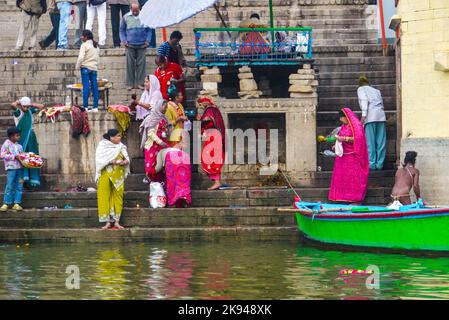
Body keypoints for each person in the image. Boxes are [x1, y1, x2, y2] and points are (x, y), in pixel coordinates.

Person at [328, 108, 369, 204]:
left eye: (341, 118)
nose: (341, 120)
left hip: (353, 157)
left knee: (353, 179)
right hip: (343, 157)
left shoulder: (357, 126)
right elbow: (340, 138)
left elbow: (359, 140)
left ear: (346, 116)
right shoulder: (343, 126)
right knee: (342, 179)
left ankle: (355, 199)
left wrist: (344, 139)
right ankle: (342, 198)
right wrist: (336, 144)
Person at [95, 129, 130, 229]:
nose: (120, 138)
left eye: (120, 136)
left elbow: (127, 158)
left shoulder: (121, 146)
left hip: (118, 175)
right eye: (118, 136)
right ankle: (107, 222)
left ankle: (117, 222)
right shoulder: (102, 146)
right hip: (105, 174)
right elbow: (99, 160)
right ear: (111, 137)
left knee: (118, 198)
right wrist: (112, 161)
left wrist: (125, 162)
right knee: (104, 197)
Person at [10, 97, 45, 188]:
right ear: (21, 106)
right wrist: (19, 102)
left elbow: (42, 107)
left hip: (31, 139)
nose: (26, 108)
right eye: (24, 107)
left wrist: (31, 105)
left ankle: (32, 182)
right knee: (23, 159)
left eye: (27, 107)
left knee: (32, 158)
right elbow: (12, 105)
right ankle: (24, 181)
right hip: (22, 139)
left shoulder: (30, 111)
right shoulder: (18, 112)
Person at [119, 3, 152, 90]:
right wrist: (124, 40)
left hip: (142, 45)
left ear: (139, 9)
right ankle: (130, 84)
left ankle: (141, 83)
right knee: (130, 65)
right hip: (129, 45)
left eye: (137, 10)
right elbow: (121, 30)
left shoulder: (145, 17)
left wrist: (148, 40)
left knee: (141, 66)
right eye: (133, 10)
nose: (135, 12)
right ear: (130, 9)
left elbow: (149, 30)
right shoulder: (126, 17)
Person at [357, 75, 387, 171]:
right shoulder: (376, 91)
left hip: (370, 117)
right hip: (381, 116)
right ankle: (380, 164)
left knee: (370, 142)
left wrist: (364, 115)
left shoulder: (361, 89)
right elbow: (381, 103)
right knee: (381, 142)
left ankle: (372, 163)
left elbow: (364, 100)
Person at [196, 97, 226, 191]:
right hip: (215, 136)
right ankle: (217, 182)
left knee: (210, 159)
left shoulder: (209, 110)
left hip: (213, 137)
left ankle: (217, 182)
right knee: (213, 158)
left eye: (200, 105)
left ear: (203, 103)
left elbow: (208, 120)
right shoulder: (214, 109)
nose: (200, 107)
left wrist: (200, 119)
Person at [139, 100, 171, 182]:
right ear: (160, 106)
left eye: (167, 107)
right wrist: (160, 142)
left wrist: (167, 132)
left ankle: (159, 186)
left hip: (162, 145)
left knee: (162, 166)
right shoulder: (152, 118)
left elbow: (167, 127)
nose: (166, 109)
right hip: (153, 146)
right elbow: (150, 133)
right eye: (165, 107)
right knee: (152, 165)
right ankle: (150, 181)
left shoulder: (164, 117)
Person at [0, 128, 24, 212]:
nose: (19, 137)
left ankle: (17, 203)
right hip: (11, 168)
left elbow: (22, 157)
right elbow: (2, 155)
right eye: (17, 135)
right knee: (9, 185)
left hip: (20, 169)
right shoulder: (6, 144)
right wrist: (14, 156)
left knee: (19, 185)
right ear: (11, 136)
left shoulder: (20, 146)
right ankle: (6, 203)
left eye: (19, 135)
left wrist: (26, 161)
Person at [76, 30, 100, 112]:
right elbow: (97, 58)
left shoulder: (84, 45)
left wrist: (77, 66)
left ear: (86, 37)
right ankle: (95, 107)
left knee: (86, 87)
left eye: (82, 36)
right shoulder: (96, 46)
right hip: (94, 69)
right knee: (95, 88)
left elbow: (81, 57)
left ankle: (85, 106)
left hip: (85, 68)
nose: (81, 37)